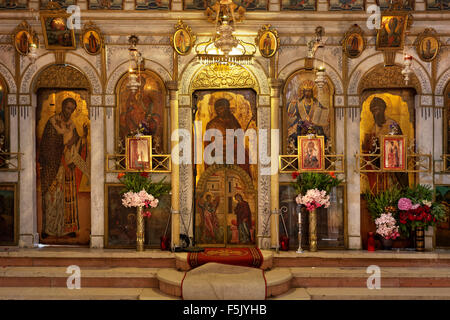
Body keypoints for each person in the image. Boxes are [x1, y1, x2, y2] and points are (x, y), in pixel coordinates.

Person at [38, 98, 89, 240]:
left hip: (67, 166)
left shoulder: (71, 125)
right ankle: (49, 229)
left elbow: (76, 142)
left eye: (72, 109)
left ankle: (67, 229)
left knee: (66, 197)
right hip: (53, 166)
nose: (70, 111)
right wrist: (64, 144)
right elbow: (47, 144)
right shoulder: (52, 122)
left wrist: (83, 137)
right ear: (62, 107)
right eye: (68, 108)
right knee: (52, 197)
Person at [205, 98, 251, 175]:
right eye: (217, 109)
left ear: (227, 109)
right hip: (219, 155)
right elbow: (212, 143)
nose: (219, 111)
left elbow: (239, 137)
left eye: (221, 109)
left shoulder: (233, 121)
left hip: (234, 154)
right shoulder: (212, 124)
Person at [287, 80, 329, 151]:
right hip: (300, 123)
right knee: (294, 135)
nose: (307, 93)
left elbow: (323, 109)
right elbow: (291, 114)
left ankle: (321, 151)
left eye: (309, 91)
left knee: (321, 134)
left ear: (312, 92)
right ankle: (297, 151)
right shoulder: (298, 103)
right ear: (303, 92)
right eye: (306, 91)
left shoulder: (316, 103)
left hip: (313, 123)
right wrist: (291, 104)